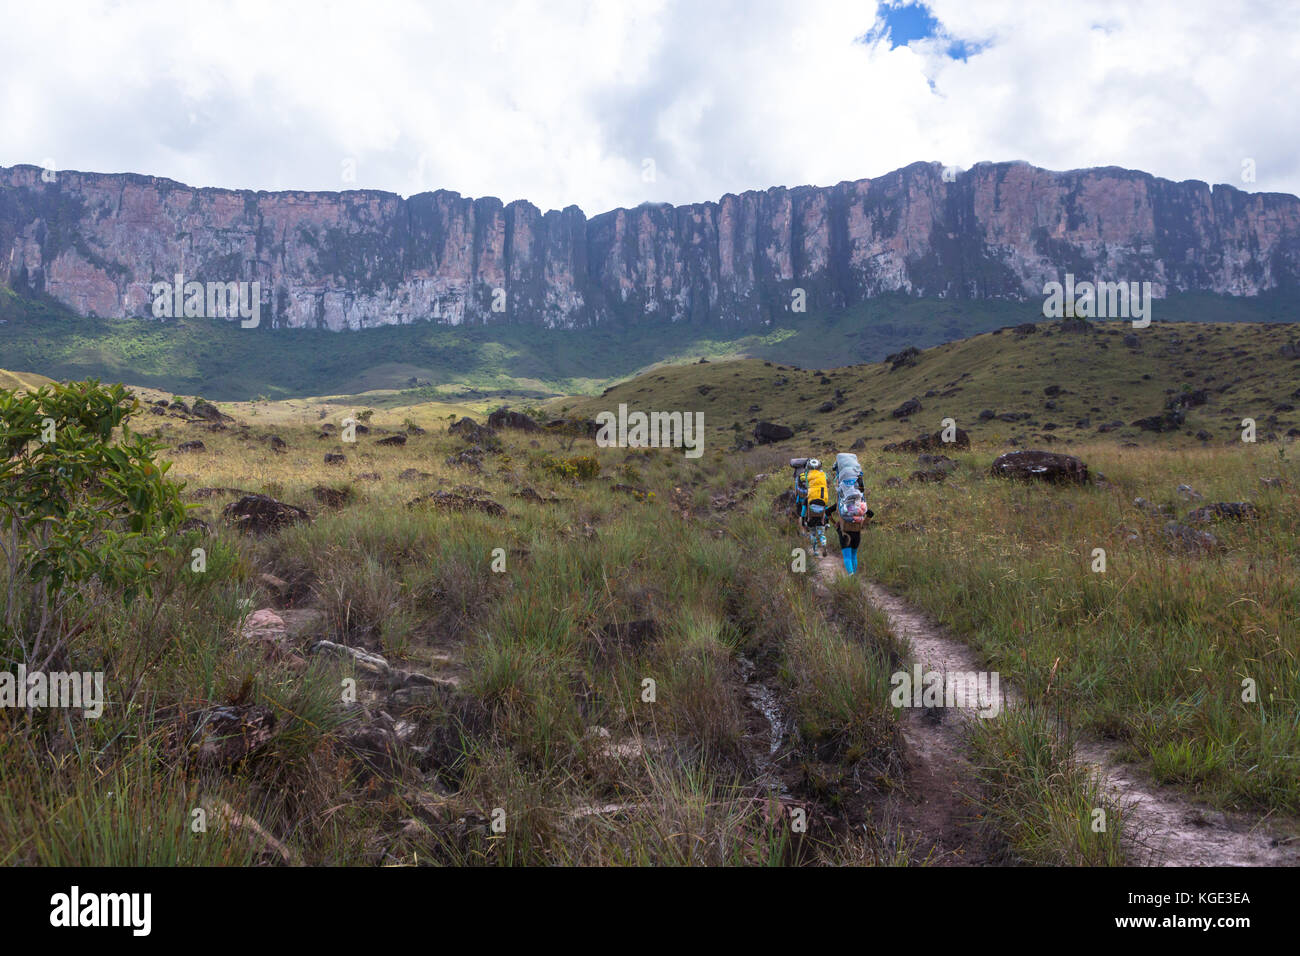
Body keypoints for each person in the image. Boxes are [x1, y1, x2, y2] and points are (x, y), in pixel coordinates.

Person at [800, 458, 830, 556]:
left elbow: (801, 478)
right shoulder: (823, 474)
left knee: (812, 534)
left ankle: (816, 551)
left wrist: (803, 519)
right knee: (821, 534)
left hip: (811, 514)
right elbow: (826, 477)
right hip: (821, 508)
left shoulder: (807, 474)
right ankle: (824, 542)